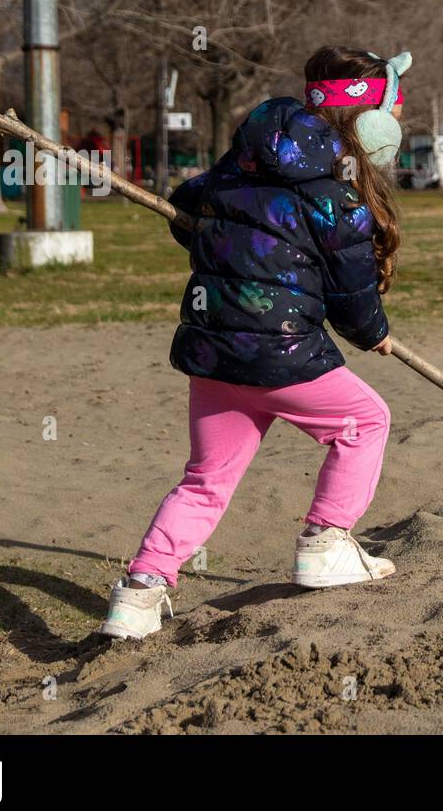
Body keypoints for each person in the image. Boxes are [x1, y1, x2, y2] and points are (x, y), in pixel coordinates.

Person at [99, 46, 410, 640]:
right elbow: (351, 288)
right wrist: (375, 333)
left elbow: (185, 204)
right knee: (366, 421)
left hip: (215, 353)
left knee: (206, 479)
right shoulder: (335, 192)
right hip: (284, 351)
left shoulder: (242, 163)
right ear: (370, 122)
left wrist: (225, 238)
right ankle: (325, 539)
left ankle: (139, 592)